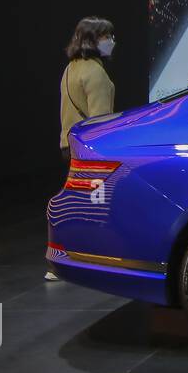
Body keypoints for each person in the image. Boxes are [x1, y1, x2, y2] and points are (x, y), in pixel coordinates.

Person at [57, 17, 116, 280]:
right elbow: (99, 121)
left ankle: (65, 260)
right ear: (92, 40)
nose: (112, 42)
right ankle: (88, 262)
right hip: (91, 150)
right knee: (96, 209)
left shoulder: (71, 68)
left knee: (76, 207)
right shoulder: (95, 72)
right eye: (107, 36)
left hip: (69, 145)